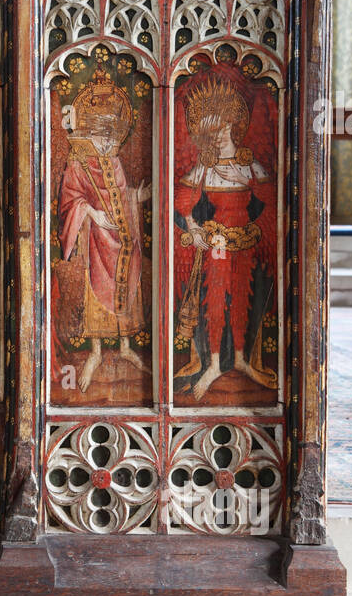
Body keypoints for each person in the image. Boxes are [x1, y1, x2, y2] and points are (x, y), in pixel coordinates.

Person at [173, 71, 277, 400]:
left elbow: (272, 200)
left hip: (244, 240)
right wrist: (193, 227)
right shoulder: (206, 166)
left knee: (243, 298)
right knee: (216, 299)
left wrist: (258, 221)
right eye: (210, 130)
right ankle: (215, 363)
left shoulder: (248, 165)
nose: (216, 136)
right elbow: (182, 200)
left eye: (220, 128)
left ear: (233, 125)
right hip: (217, 243)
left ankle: (243, 360)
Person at [56, 76, 151, 392]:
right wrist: (92, 214)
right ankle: (96, 352)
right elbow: (71, 199)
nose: (107, 142)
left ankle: (126, 347)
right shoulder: (79, 163)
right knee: (97, 289)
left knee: (127, 287)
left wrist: (138, 197)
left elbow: (121, 196)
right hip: (96, 239)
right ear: (88, 133)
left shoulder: (115, 161)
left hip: (124, 237)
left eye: (112, 136)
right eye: (100, 135)